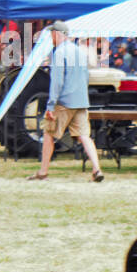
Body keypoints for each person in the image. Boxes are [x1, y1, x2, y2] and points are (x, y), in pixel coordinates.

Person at [29, 22, 104, 182]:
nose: (51, 37)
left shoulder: (59, 53)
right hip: (81, 100)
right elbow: (86, 77)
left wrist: (50, 105)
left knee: (48, 134)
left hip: (63, 102)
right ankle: (97, 169)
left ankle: (43, 172)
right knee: (85, 136)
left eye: (51, 34)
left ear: (57, 33)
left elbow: (57, 81)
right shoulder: (79, 51)